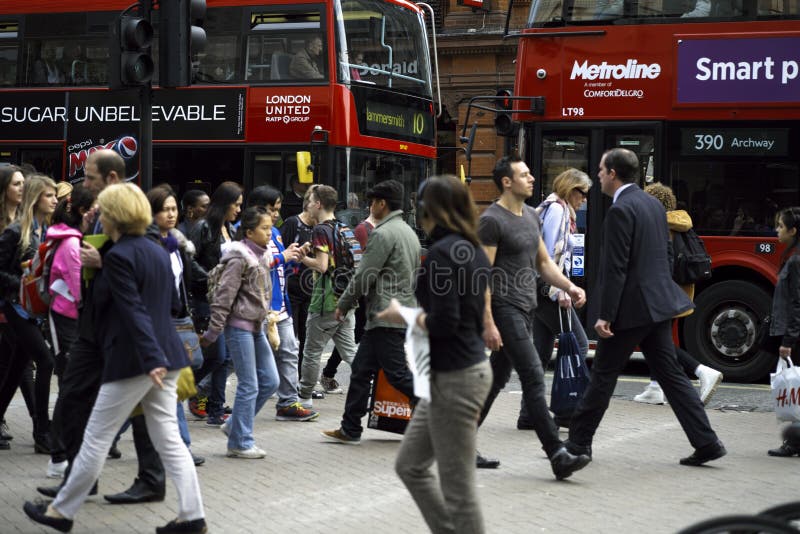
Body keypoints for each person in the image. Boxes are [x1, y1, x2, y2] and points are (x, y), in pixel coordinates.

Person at [23, 183, 207, 534]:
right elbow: (171, 305)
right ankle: (192, 515)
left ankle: (61, 512)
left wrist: (150, 356)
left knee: (95, 437)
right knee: (168, 438)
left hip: (136, 358)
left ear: (116, 216)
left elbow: (133, 310)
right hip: (165, 355)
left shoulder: (121, 256)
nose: (99, 217)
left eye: (104, 212)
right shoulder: (156, 250)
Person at [565, 148, 726, 468]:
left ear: (612, 174)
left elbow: (615, 268)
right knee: (672, 377)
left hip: (631, 309)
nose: (597, 175)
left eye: (600, 170)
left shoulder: (621, 210)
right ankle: (707, 442)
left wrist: (605, 314)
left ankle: (577, 443)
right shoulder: (653, 205)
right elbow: (664, 256)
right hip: (659, 305)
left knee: (603, 376)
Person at [35, 150, 167, 507]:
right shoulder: (96, 211)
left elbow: (141, 254)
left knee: (141, 410)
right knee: (76, 393)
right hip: (93, 324)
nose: (85, 182)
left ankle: (152, 479)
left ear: (110, 178)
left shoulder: (133, 205)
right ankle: (81, 479)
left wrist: (103, 258)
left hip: (119, 327)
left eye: (90, 177)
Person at [376, 175, 492, 533]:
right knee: (410, 465)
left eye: (420, 205)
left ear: (431, 209)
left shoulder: (444, 253)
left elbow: (445, 322)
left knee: (458, 488)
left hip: (456, 379)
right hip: (453, 375)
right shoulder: (471, 248)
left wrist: (404, 315)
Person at [475, 155, 590, 480]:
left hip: (527, 307)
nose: (531, 179)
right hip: (504, 307)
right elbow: (482, 274)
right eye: (524, 175)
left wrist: (570, 286)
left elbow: (543, 263)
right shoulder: (492, 220)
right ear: (506, 182)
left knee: (495, 379)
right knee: (533, 377)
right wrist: (487, 320)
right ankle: (557, 453)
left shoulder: (530, 216)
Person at [322, 180, 420, 444]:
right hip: (395, 312)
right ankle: (350, 428)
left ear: (382, 204)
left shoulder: (382, 233)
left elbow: (364, 274)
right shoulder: (409, 232)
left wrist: (343, 304)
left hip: (386, 313)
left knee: (397, 374)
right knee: (361, 371)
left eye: (372, 202)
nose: (369, 206)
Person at [633, 183, 723, 406]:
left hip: (661, 293)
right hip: (680, 292)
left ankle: (702, 371)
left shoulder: (660, 225)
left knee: (652, 340)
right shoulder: (681, 223)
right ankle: (655, 387)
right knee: (655, 339)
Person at [201, 207, 279, 459]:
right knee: (249, 384)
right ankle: (240, 442)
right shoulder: (239, 258)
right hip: (239, 327)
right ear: (249, 232)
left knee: (270, 380)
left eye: (270, 228)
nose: (269, 233)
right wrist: (213, 332)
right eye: (264, 229)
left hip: (256, 326)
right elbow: (224, 298)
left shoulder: (262, 254)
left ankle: (235, 425)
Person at [518, 168, 592, 430]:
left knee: (539, 354)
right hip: (548, 290)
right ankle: (565, 411)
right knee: (579, 345)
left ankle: (529, 415)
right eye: (582, 193)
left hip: (541, 288)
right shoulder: (558, 211)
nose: (584, 199)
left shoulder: (557, 209)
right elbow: (548, 254)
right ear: (570, 190)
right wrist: (562, 290)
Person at [245, 186, 317, 422]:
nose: (276, 215)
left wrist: (294, 258)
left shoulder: (275, 232)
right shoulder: (244, 233)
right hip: (257, 307)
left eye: (277, 209)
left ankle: (287, 403)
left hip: (279, 306)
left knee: (289, 351)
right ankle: (206, 393)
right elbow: (251, 265)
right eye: (271, 209)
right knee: (239, 360)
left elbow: (281, 269)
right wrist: (281, 257)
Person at [147, 185, 206, 466]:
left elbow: (187, 279)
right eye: (164, 210)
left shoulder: (176, 244)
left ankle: (106, 436)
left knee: (166, 387)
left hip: (177, 319)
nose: (171, 215)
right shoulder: (148, 246)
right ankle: (182, 446)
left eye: (173, 209)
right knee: (172, 385)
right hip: (157, 324)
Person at [0, 174, 58, 454]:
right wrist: (22, 282)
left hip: (35, 311)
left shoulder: (46, 231)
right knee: (45, 362)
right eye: (49, 195)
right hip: (15, 308)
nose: (55, 200)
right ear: (37, 199)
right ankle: (41, 432)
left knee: (14, 372)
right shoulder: (14, 231)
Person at [45, 185, 95, 478]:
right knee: (69, 386)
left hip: (71, 320)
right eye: (93, 209)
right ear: (81, 211)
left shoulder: (73, 240)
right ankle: (57, 453)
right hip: (66, 319)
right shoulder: (72, 244)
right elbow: (79, 289)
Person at [297, 185, 357, 408]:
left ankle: (304, 398)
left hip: (327, 300)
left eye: (310, 201)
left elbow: (322, 266)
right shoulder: (343, 227)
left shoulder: (321, 230)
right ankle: (372, 388)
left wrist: (301, 258)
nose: (308, 206)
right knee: (350, 351)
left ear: (318, 204)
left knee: (312, 351)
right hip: (347, 299)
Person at [188, 181, 243, 426]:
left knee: (226, 357)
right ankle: (183, 387)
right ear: (225, 204)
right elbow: (188, 261)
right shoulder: (203, 228)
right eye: (237, 204)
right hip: (205, 300)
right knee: (216, 356)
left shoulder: (229, 229)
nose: (239, 210)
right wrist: (210, 277)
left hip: (226, 301)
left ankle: (216, 408)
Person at [319, 198, 377, 395]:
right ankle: (329, 374)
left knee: (358, 336)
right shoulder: (363, 229)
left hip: (377, 292)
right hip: (363, 292)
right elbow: (357, 264)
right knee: (355, 336)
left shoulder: (384, 229)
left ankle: (330, 373)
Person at [766, 207, 800, 457]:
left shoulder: (796, 259)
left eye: (780, 225)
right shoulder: (792, 255)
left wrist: (789, 340)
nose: (777, 230)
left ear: (793, 230)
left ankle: (794, 442)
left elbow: (798, 302)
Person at [280, 186, 317, 375]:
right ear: (309, 204)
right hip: (290, 290)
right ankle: (286, 380)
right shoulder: (292, 223)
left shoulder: (321, 228)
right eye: (317, 202)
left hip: (310, 290)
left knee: (306, 338)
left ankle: (300, 380)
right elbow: (280, 252)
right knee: (289, 340)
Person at [0, 165, 24, 449]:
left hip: (15, 304)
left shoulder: (24, 219)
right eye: (16, 184)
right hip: (9, 296)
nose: (21, 188)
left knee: (14, 362)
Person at [0, 165, 24, 231]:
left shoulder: (26, 217)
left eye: (24, 183)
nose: (23, 188)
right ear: (4, 187)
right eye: (16, 184)